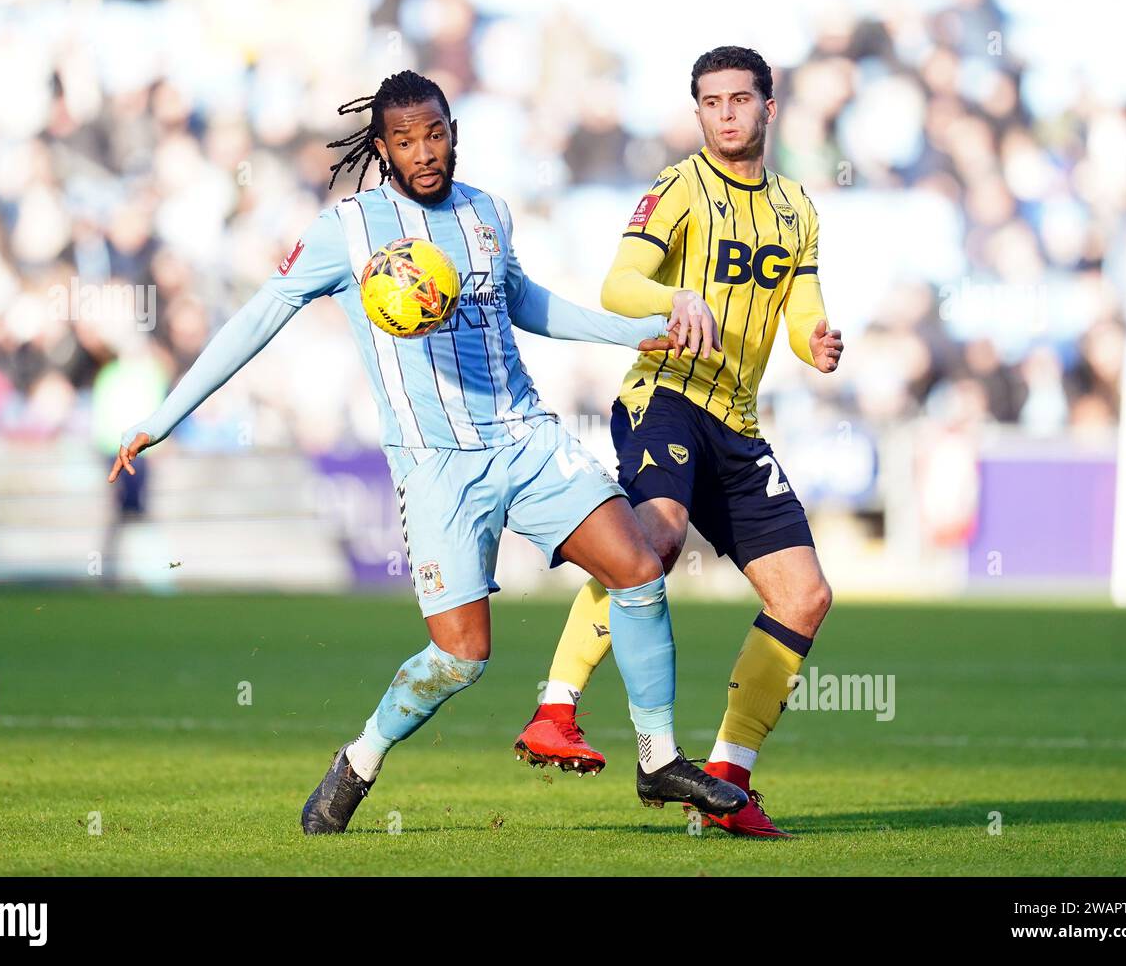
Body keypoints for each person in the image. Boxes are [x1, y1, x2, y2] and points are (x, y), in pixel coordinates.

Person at [107, 70, 747, 834]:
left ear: (453, 131)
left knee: (640, 565)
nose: (424, 151)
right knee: (461, 658)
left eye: (435, 133)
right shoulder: (345, 230)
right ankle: (360, 760)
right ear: (381, 147)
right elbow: (257, 318)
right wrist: (166, 415)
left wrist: (632, 331)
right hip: (436, 466)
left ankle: (657, 757)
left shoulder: (486, 212)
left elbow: (527, 303)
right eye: (405, 140)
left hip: (526, 438)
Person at [514, 47, 844, 838]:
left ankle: (729, 776)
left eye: (740, 99)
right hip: (664, 397)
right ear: (697, 112)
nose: (726, 113)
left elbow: (802, 306)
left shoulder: (798, 207)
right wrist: (676, 296)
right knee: (653, 541)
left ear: (769, 106)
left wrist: (816, 340)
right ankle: (554, 709)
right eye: (711, 101)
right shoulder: (678, 188)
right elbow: (618, 286)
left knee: (805, 596)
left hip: (736, 420)